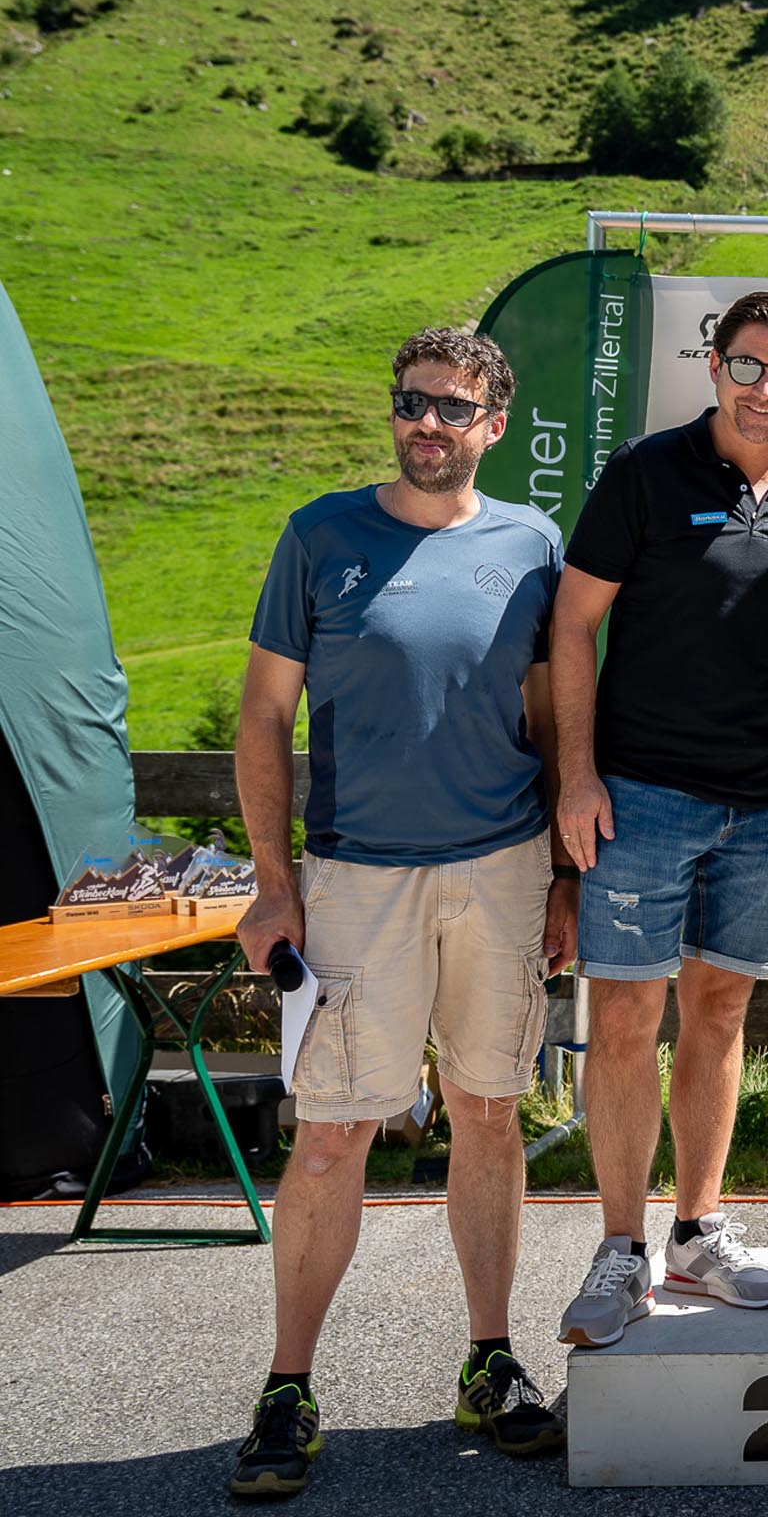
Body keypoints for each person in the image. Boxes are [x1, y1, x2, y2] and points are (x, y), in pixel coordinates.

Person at [229, 328, 573, 1497]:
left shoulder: (532, 544)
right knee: (331, 1134)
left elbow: (549, 710)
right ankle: (287, 1384)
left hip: (504, 869)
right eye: (412, 403)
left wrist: (567, 880)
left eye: (452, 408)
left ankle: (488, 1356)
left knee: (487, 1112)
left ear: (493, 424)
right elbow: (265, 717)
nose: (428, 423)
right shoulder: (321, 537)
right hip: (353, 879)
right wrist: (273, 884)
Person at [551, 290, 768, 1347]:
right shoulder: (642, 471)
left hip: (765, 800)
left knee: (719, 1018)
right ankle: (619, 1248)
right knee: (627, 1022)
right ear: (714, 365)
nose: (765, 390)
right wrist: (578, 777)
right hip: (640, 794)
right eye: (748, 367)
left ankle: (697, 1231)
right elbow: (572, 626)